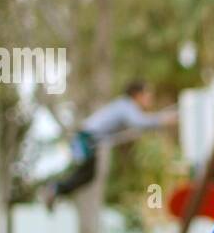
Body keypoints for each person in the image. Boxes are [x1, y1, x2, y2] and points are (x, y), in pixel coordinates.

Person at [41, 81, 177, 208]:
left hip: (87, 138)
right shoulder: (127, 106)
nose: (150, 98)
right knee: (85, 174)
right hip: (87, 139)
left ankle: (56, 190)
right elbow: (140, 122)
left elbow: (135, 127)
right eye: (147, 94)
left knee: (87, 175)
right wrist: (163, 120)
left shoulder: (124, 106)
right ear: (137, 95)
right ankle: (54, 189)